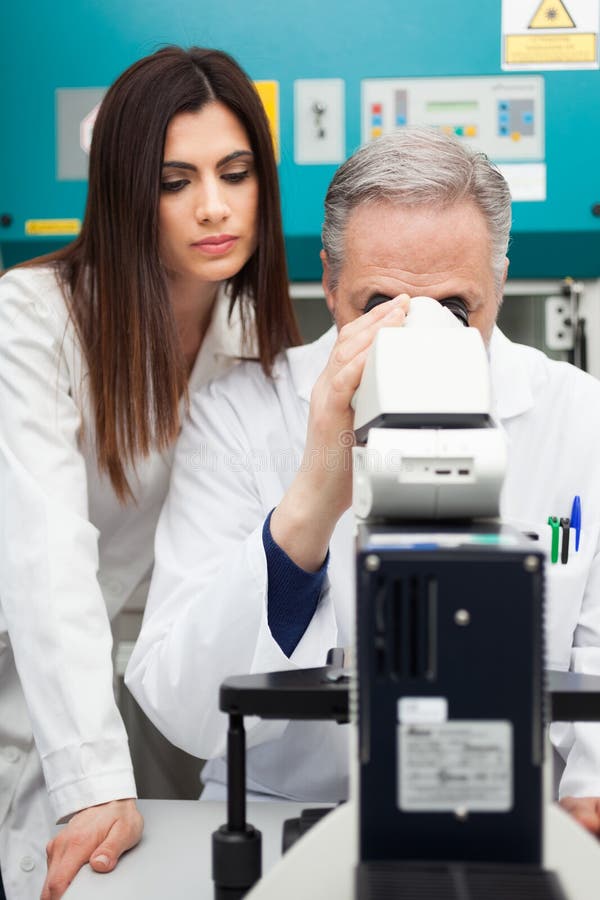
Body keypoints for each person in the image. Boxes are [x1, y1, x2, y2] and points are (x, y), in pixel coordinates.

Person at [127, 127, 600, 832]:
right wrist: (313, 499)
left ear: (499, 280)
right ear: (329, 282)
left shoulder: (578, 416)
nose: (414, 335)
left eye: (455, 309)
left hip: (504, 815)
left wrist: (588, 800)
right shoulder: (240, 415)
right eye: (379, 304)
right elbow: (182, 707)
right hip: (286, 812)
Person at [0, 45, 300, 900]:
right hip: (28, 661)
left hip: (153, 679)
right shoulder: (33, 318)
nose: (214, 207)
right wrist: (94, 780)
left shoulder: (256, 340)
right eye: (175, 182)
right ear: (127, 192)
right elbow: (46, 558)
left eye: (235, 173)